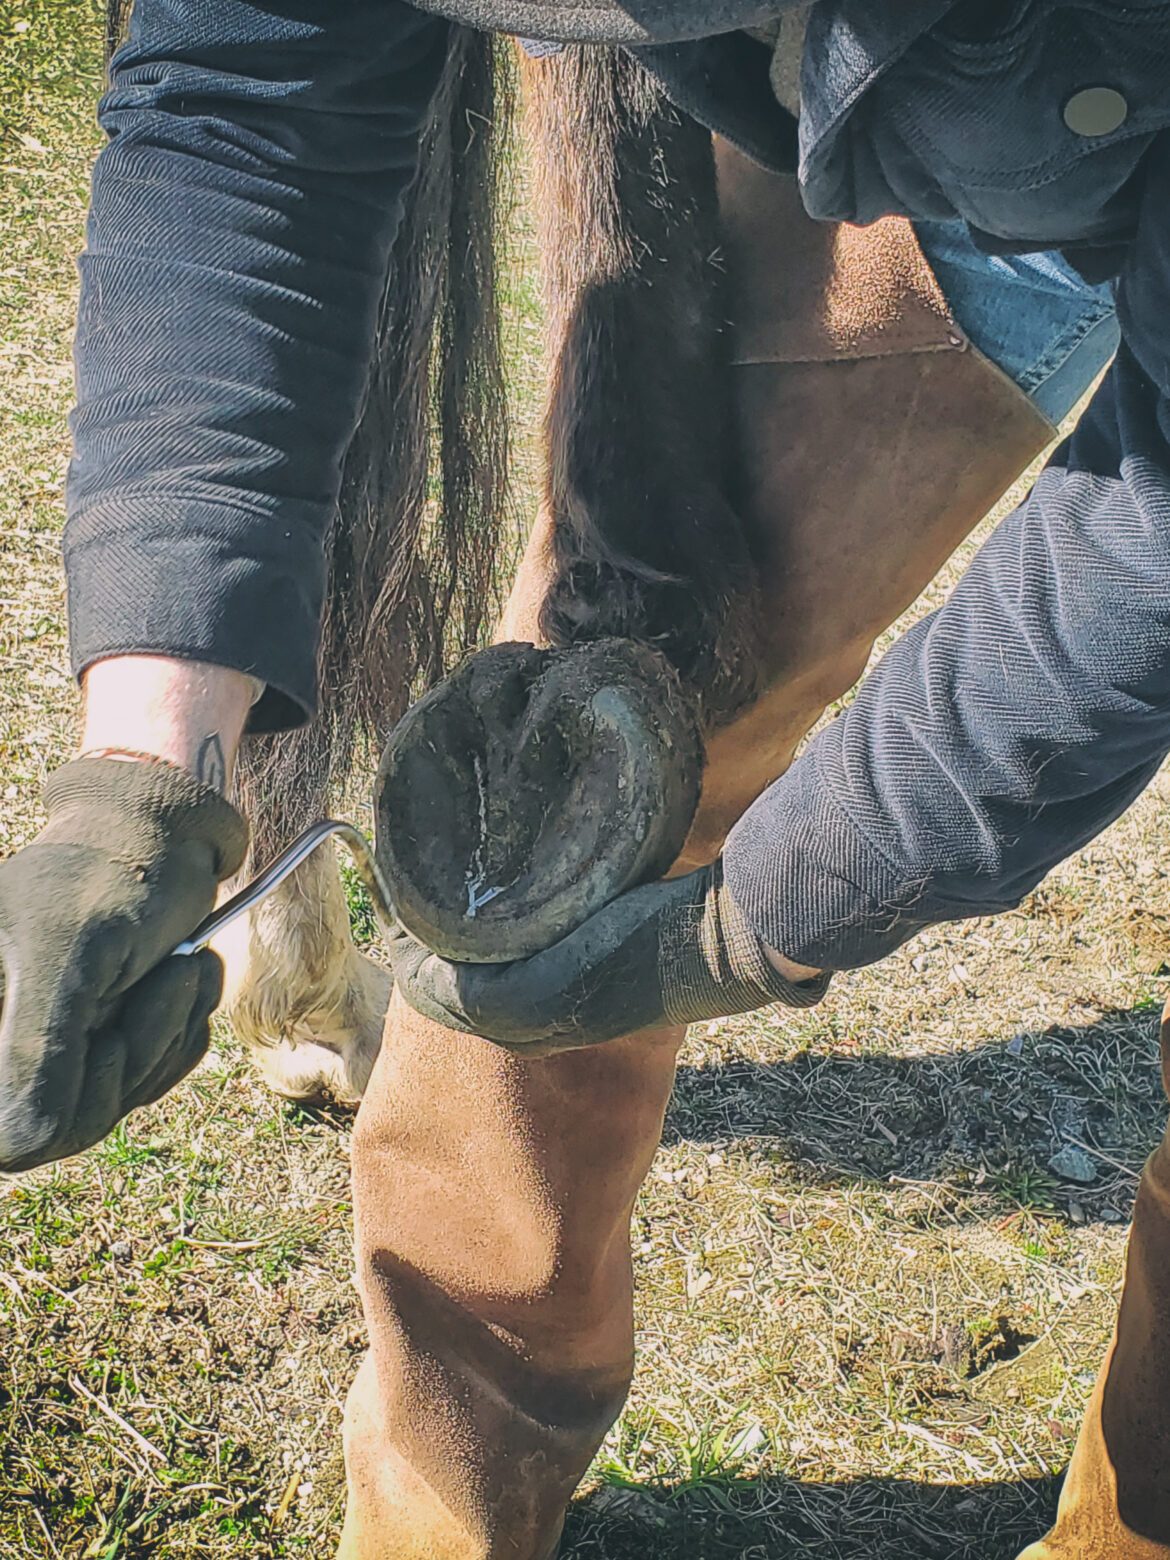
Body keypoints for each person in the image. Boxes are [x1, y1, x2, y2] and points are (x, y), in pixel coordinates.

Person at [0, 0, 1166, 1555]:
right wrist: (147, 764)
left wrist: (745, 926)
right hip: (886, 117)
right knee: (590, 773)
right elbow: (249, 86)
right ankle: (441, 1510)